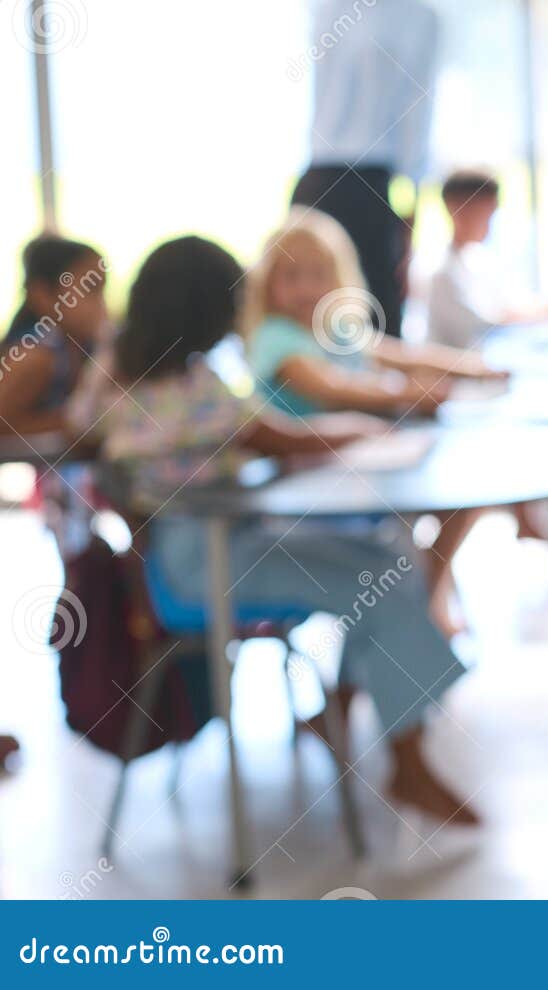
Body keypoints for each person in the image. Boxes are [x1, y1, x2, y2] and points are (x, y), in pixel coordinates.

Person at [89, 235, 479, 825]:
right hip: (207, 565)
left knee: (384, 559)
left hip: (193, 553)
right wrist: (370, 428)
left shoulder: (118, 373)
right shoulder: (192, 389)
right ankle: (404, 758)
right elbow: (286, 436)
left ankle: (361, 723)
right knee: (384, 570)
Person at [243, 207, 504, 634]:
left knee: (461, 497)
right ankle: (422, 605)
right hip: (307, 484)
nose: (306, 288)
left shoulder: (337, 328)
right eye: (291, 277)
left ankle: (424, 596)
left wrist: (474, 367)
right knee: (430, 509)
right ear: (267, 286)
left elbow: (402, 353)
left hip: (357, 467)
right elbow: (333, 386)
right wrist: (410, 392)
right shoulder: (275, 339)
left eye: (317, 274)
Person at [291, 0, 440, 336]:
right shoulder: (419, 17)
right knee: (320, 326)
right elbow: (418, 120)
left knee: (354, 328)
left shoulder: (329, 8)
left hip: (331, 183)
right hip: (354, 187)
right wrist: (409, 222)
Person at [427, 169, 548, 350]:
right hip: (459, 374)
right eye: (484, 215)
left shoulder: (478, 260)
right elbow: (484, 328)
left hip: (485, 369)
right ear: (456, 210)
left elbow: (507, 305)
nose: (489, 225)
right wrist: (544, 314)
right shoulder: (440, 273)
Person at [0, 235, 107, 438]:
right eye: (91, 290)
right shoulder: (35, 357)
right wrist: (70, 424)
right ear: (43, 295)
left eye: (103, 290)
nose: (102, 304)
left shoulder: (85, 349)